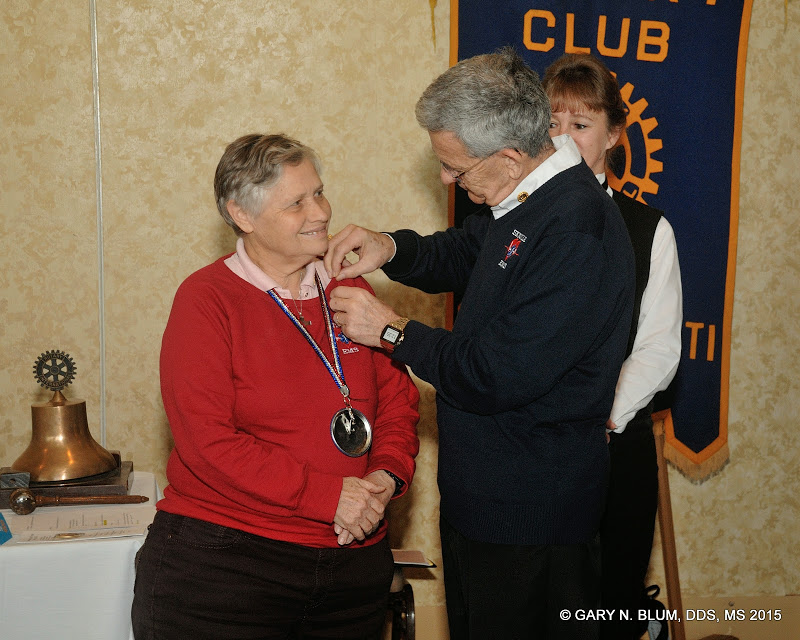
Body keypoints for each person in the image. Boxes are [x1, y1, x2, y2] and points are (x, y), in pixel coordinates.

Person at [323, 48, 635, 640]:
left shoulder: (577, 228)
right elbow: (471, 253)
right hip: (482, 500)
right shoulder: (523, 195)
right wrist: (394, 247)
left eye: (456, 169)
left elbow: (495, 374)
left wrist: (391, 331)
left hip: (531, 517)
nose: (446, 179)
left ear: (510, 156)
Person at [131, 133, 420, 640]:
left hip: (351, 574)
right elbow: (208, 442)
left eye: (319, 192)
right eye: (296, 203)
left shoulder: (351, 288)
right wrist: (327, 496)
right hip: (228, 573)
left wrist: (385, 480)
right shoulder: (207, 300)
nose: (321, 212)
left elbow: (398, 404)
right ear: (242, 214)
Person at [543, 53, 683, 640]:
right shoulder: (512, 220)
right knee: (545, 603)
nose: (566, 138)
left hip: (611, 442)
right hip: (535, 449)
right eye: (554, 122)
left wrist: (601, 411)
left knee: (610, 604)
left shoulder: (649, 229)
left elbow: (657, 347)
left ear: (615, 135)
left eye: (582, 124)